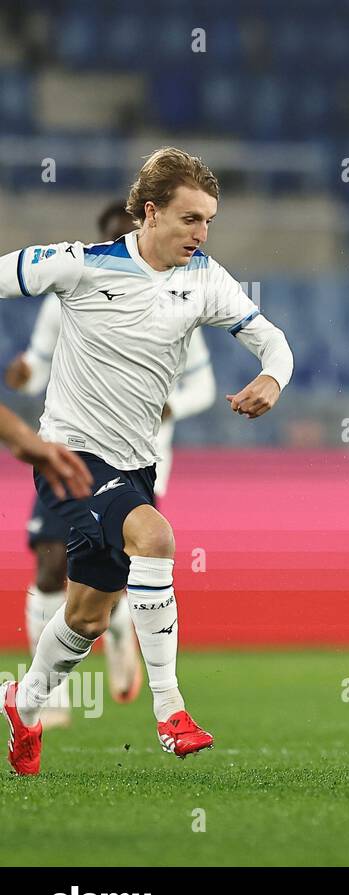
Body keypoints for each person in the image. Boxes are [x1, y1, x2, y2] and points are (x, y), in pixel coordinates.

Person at [0, 147, 293, 776]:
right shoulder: (80, 265)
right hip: (70, 457)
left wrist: (273, 375)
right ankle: (171, 709)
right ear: (151, 213)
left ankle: (21, 704)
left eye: (209, 220)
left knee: (86, 615)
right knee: (155, 536)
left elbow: (271, 337)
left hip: (135, 467)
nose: (202, 233)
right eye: (190, 219)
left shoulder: (204, 279)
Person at [4, 202, 217, 721]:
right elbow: (40, 364)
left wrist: (174, 405)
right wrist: (24, 375)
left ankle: (111, 632)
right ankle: (47, 702)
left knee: (100, 592)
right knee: (52, 563)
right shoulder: (74, 288)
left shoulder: (182, 297)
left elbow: (204, 387)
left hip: (142, 462)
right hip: (71, 453)